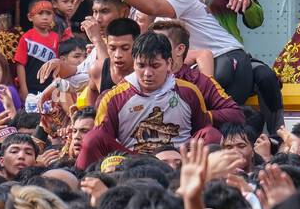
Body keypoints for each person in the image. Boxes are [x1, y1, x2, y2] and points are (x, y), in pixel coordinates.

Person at [87, 0, 257, 113]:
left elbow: (152, 6)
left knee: (210, 121)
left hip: (228, 61)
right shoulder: (162, 18)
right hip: (218, 65)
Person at [171, 0, 285, 133]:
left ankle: (278, 135)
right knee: (222, 75)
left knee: (266, 76)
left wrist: (247, 3)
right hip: (190, 59)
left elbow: (256, 20)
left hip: (230, 54)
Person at [75, 32, 216, 168]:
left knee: (211, 134)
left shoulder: (189, 91)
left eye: (155, 66)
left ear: (169, 64)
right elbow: (101, 139)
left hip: (179, 161)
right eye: (141, 66)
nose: (147, 73)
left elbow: (202, 129)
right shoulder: (114, 97)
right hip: (133, 162)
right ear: (134, 64)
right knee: (92, 138)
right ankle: (80, 181)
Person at [14, 0, 60, 99]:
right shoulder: (26, 38)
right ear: (30, 17)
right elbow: (20, 64)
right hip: (30, 88)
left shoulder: (56, 38)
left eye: (48, 13)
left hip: (49, 87)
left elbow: (56, 65)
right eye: (40, 13)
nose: (45, 17)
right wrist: (23, 88)